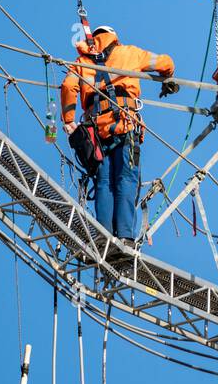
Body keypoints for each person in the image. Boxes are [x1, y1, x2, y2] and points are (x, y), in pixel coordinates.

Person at [60, 25, 175, 241]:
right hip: (125, 123)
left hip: (96, 132)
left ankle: (103, 236)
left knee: (104, 182)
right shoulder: (128, 53)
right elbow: (165, 63)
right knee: (126, 179)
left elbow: (68, 87)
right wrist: (169, 77)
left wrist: (68, 120)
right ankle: (124, 236)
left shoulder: (82, 62)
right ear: (114, 37)